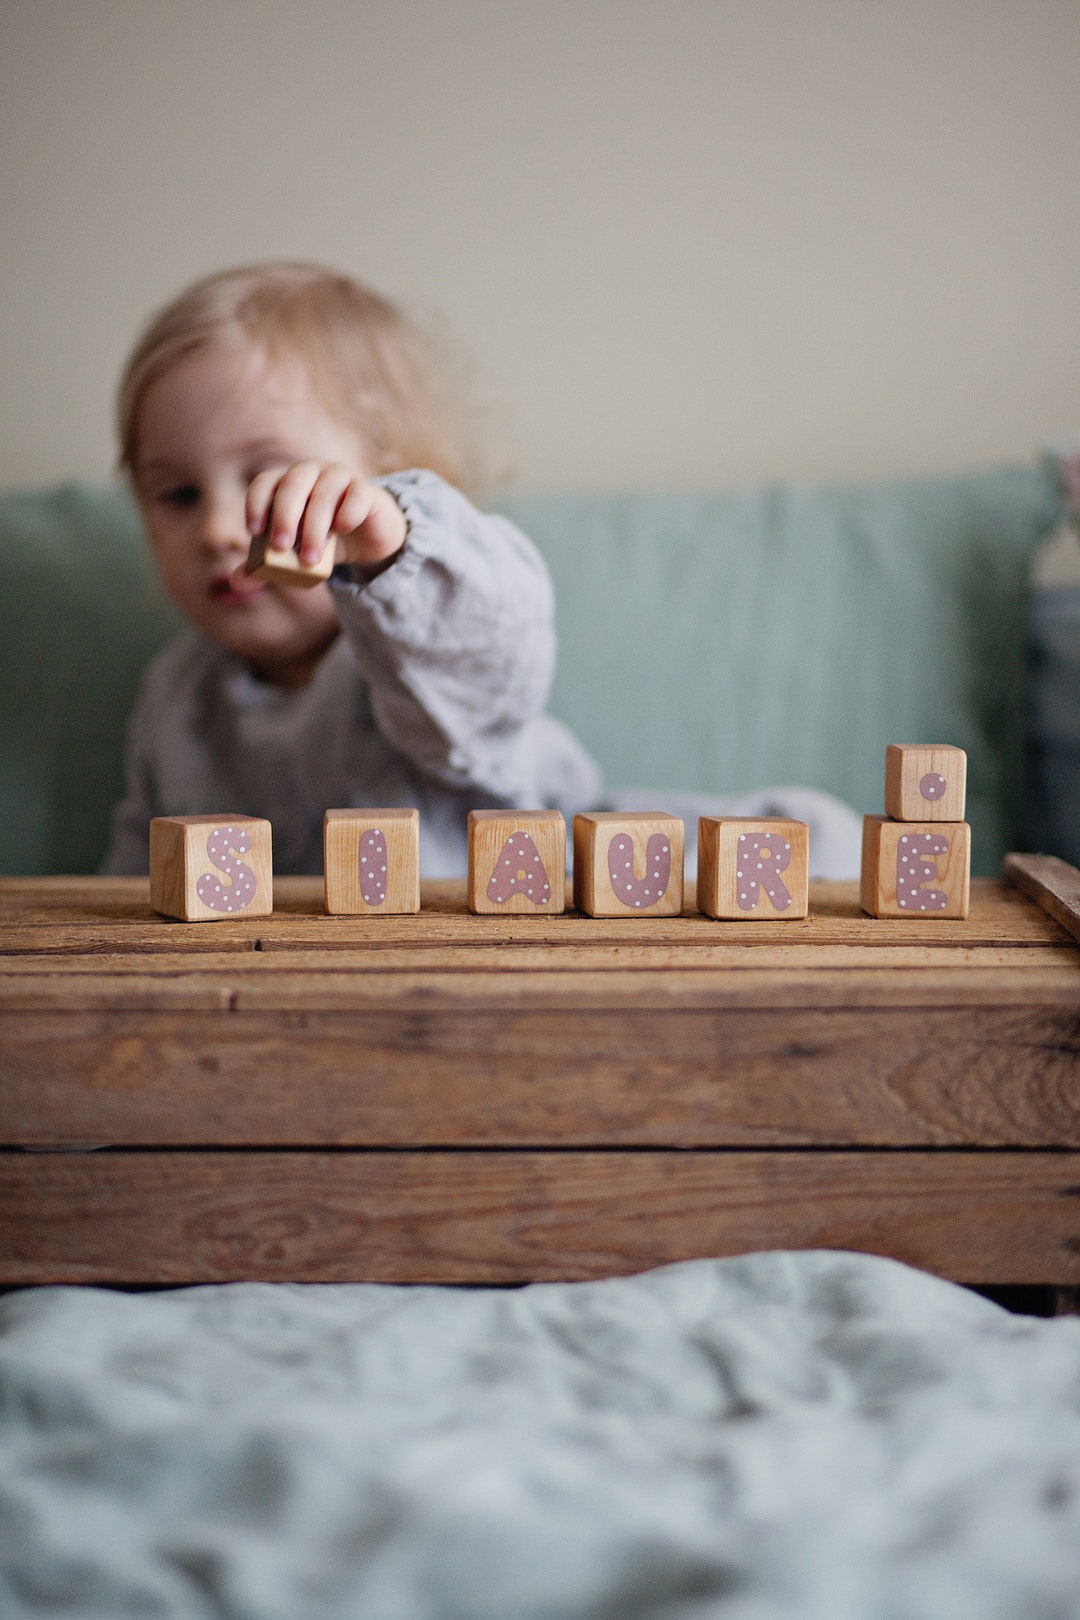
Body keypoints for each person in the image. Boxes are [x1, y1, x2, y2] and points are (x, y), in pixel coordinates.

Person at [101, 262, 603, 876]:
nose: (216, 531)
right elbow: (138, 872)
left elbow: (494, 660)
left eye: (269, 481)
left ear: (385, 475)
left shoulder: (411, 658)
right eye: (179, 495)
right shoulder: (176, 696)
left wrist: (397, 542)